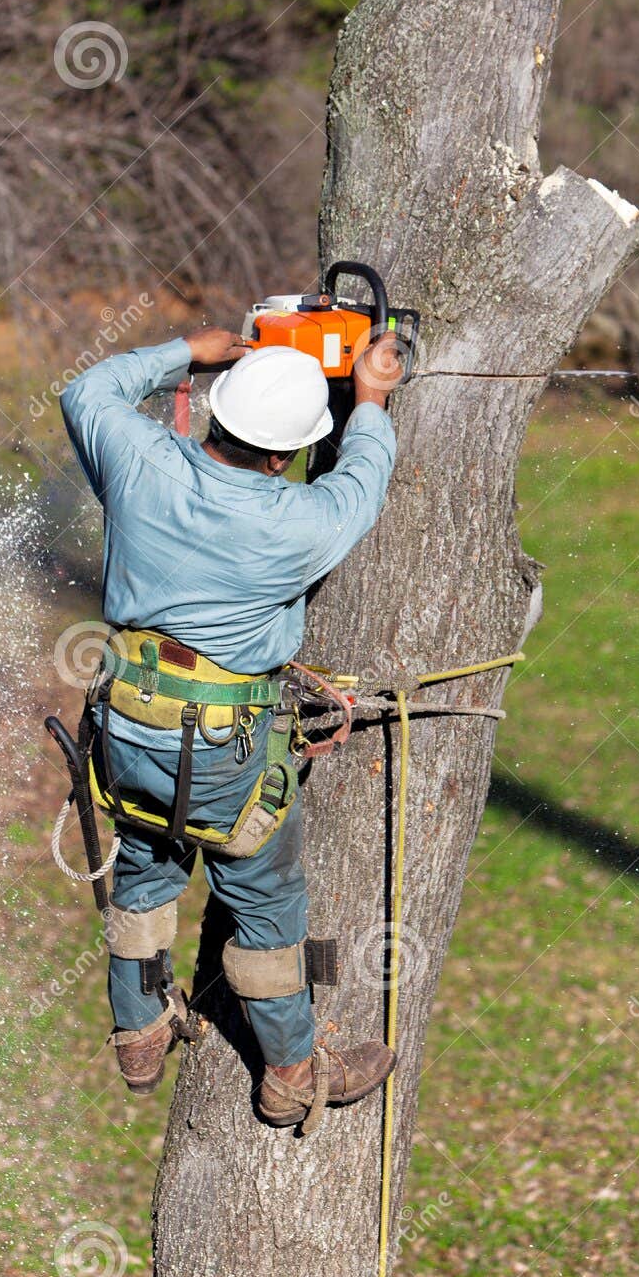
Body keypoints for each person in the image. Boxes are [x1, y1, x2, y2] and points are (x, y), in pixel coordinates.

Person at [61, 324, 402, 1132]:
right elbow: (364, 476)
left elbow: (85, 391)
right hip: (221, 748)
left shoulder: (139, 459)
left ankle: (139, 1028)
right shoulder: (302, 524)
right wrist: (373, 398)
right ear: (287, 455)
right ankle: (289, 1072)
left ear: (217, 413)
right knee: (265, 908)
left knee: (145, 872)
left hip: (125, 724)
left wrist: (186, 349)